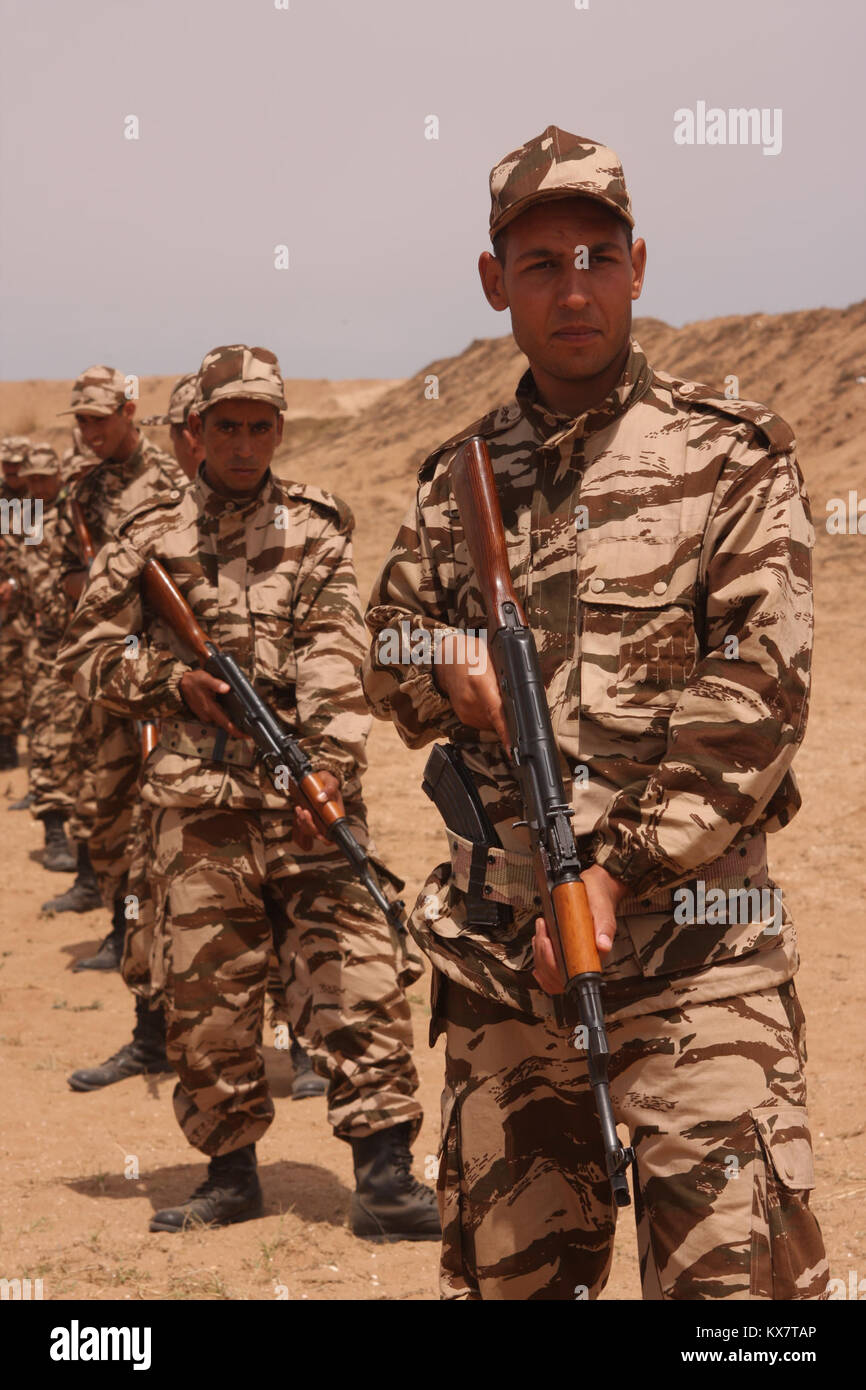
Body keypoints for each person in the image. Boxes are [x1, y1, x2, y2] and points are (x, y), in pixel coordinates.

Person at [361, 125, 828, 1300]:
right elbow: (383, 647)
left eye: (594, 256)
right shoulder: (453, 479)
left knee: (742, 1302)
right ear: (493, 283)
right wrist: (446, 666)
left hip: (693, 961)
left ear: (635, 266)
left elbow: (754, 703)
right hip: (503, 975)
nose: (572, 286)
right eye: (539, 262)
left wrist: (612, 873)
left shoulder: (730, 461)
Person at [58, 344, 439, 1240]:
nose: (241, 443)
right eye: (225, 426)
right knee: (207, 1004)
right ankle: (231, 1179)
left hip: (308, 799)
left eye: (258, 426)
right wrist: (167, 683)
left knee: (359, 981)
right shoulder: (145, 536)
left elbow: (341, 654)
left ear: (278, 429)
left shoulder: (317, 527)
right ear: (195, 432)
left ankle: (384, 1182)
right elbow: (83, 657)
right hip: (196, 814)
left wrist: (331, 769)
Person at [53, 365, 189, 965]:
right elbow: (66, 572)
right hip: (113, 671)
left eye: (98, 418)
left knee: (168, 814)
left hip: (172, 668)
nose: (88, 431)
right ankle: (122, 930)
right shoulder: (80, 492)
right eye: (80, 421)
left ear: (128, 413)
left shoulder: (170, 476)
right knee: (107, 812)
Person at [0, 436, 32, 771]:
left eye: (16, 462)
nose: (10, 469)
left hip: (28, 601)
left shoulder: (36, 499)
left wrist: (14, 582)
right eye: (5, 463)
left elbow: (36, 551)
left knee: (24, 672)